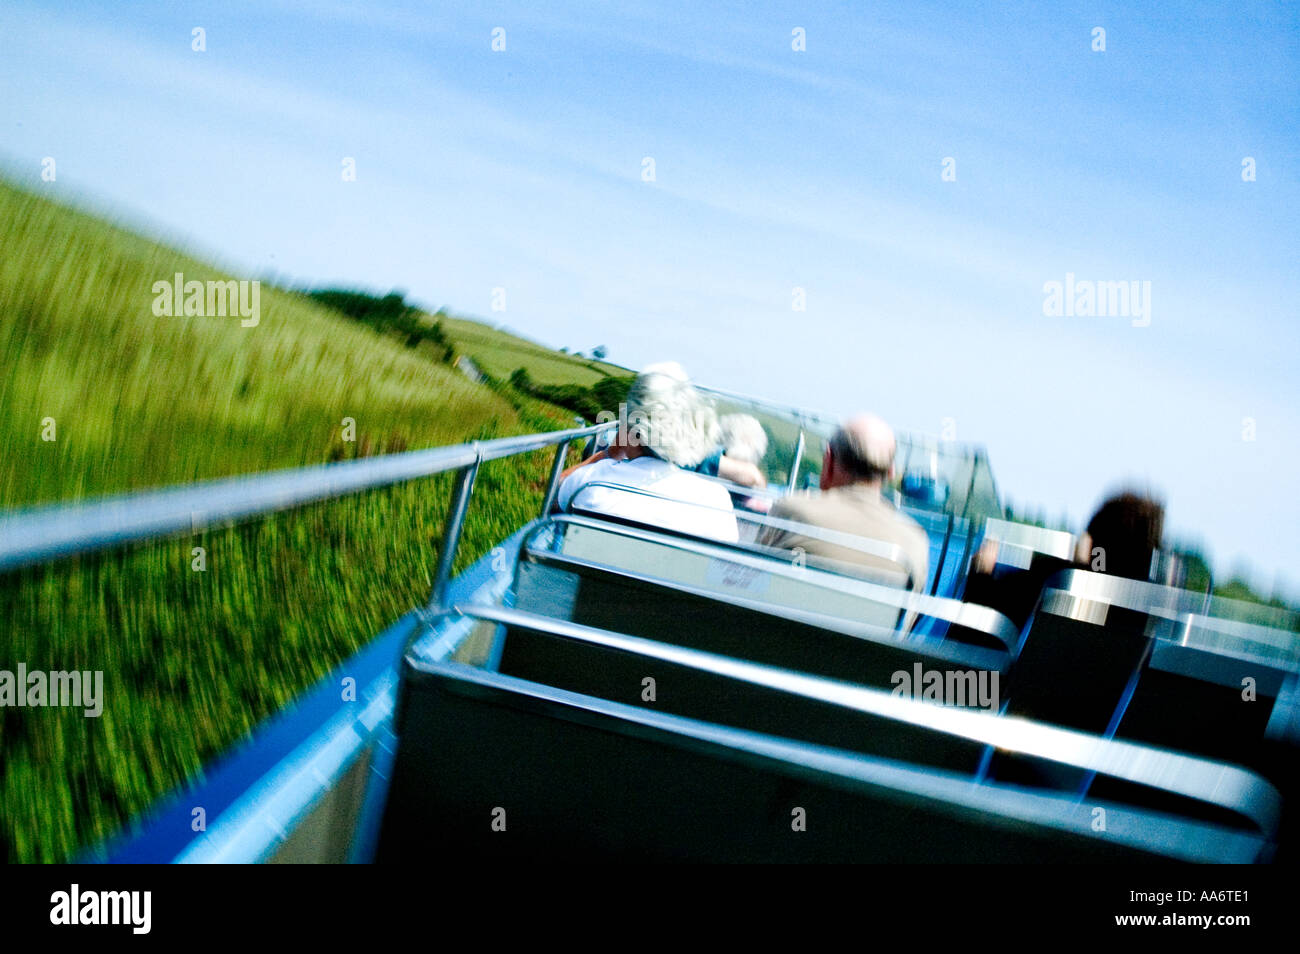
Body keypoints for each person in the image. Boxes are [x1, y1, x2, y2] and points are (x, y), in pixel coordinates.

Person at [556, 365, 739, 542]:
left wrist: (608, 454)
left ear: (630, 427)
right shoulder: (715, 500)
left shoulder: (590, 481)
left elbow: (555, 494)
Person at [758, 414, 929, 589]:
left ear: (829, 460)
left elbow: (753, 578)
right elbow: (910, 613)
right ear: (891, 472)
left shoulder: (792, 512)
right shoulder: (914, 541)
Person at [965, 490, 1165, 628]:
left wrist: (981, 572)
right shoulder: (1137, 618)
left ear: (1094, 541)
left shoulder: (1057, 581)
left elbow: (986, 612)